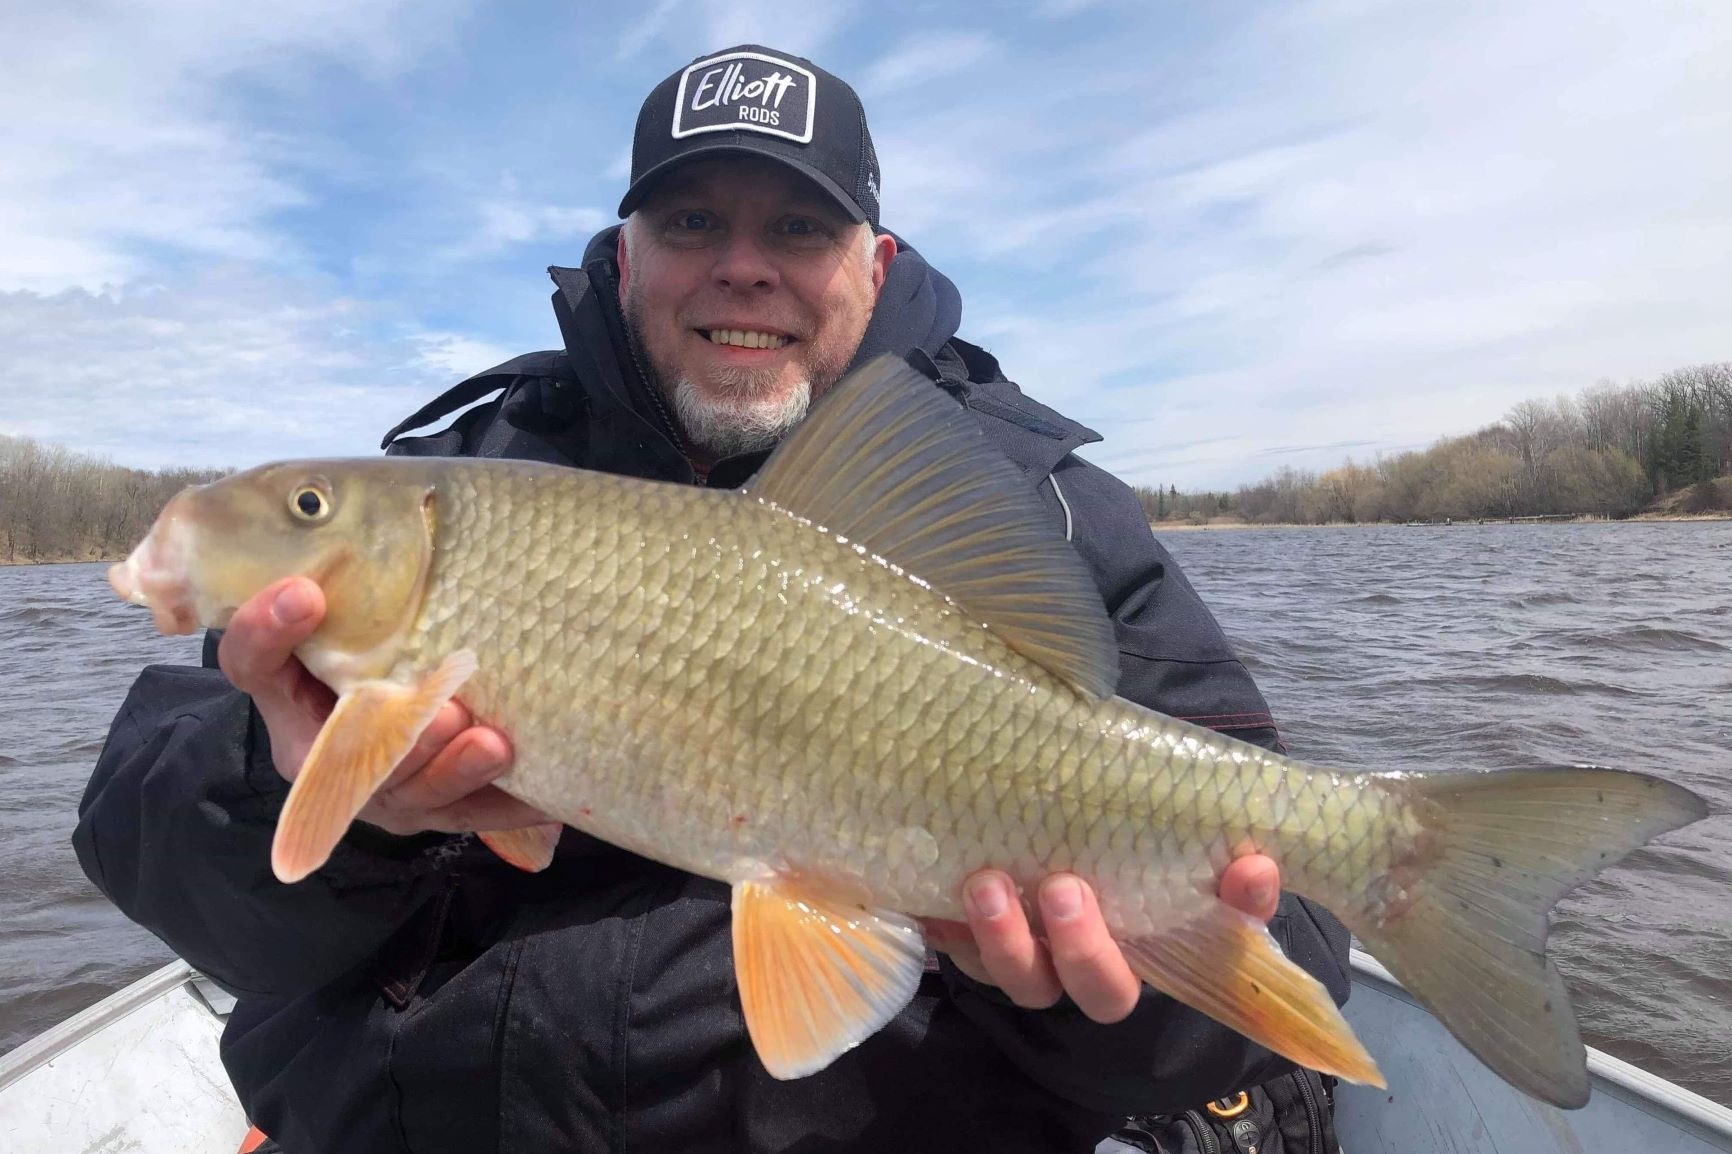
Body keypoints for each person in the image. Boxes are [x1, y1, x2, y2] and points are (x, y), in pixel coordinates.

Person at [75, 44, 1349, 1154]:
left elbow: (1289, 939)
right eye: (690, 224)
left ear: (874, 258)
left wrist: (1078, 986)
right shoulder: (472, 478)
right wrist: (328, 793)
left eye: (797, 228)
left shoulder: (1045, 506)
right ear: (625, 253)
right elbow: (140, 826)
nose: (743, 268)